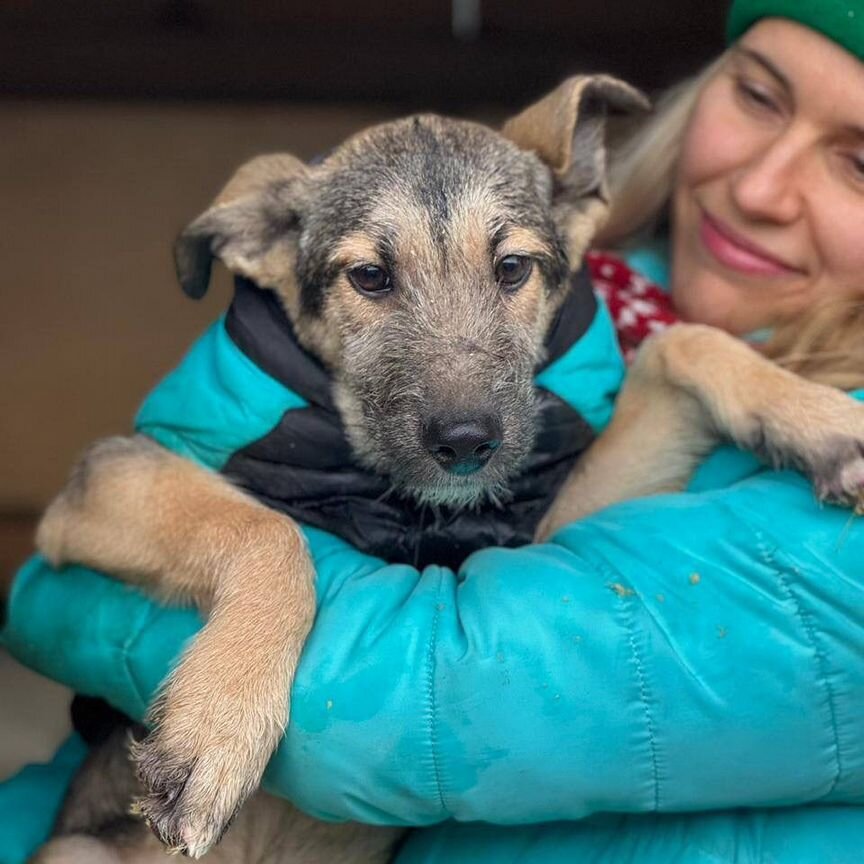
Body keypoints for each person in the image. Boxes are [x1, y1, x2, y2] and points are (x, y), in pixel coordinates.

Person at [3, 1, 864, 861]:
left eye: (858, 160)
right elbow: (87, 519)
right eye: (757, 95)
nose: (759, 190)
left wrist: (698, 367)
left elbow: (441, 694)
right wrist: (257, 562)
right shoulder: (598, 320)